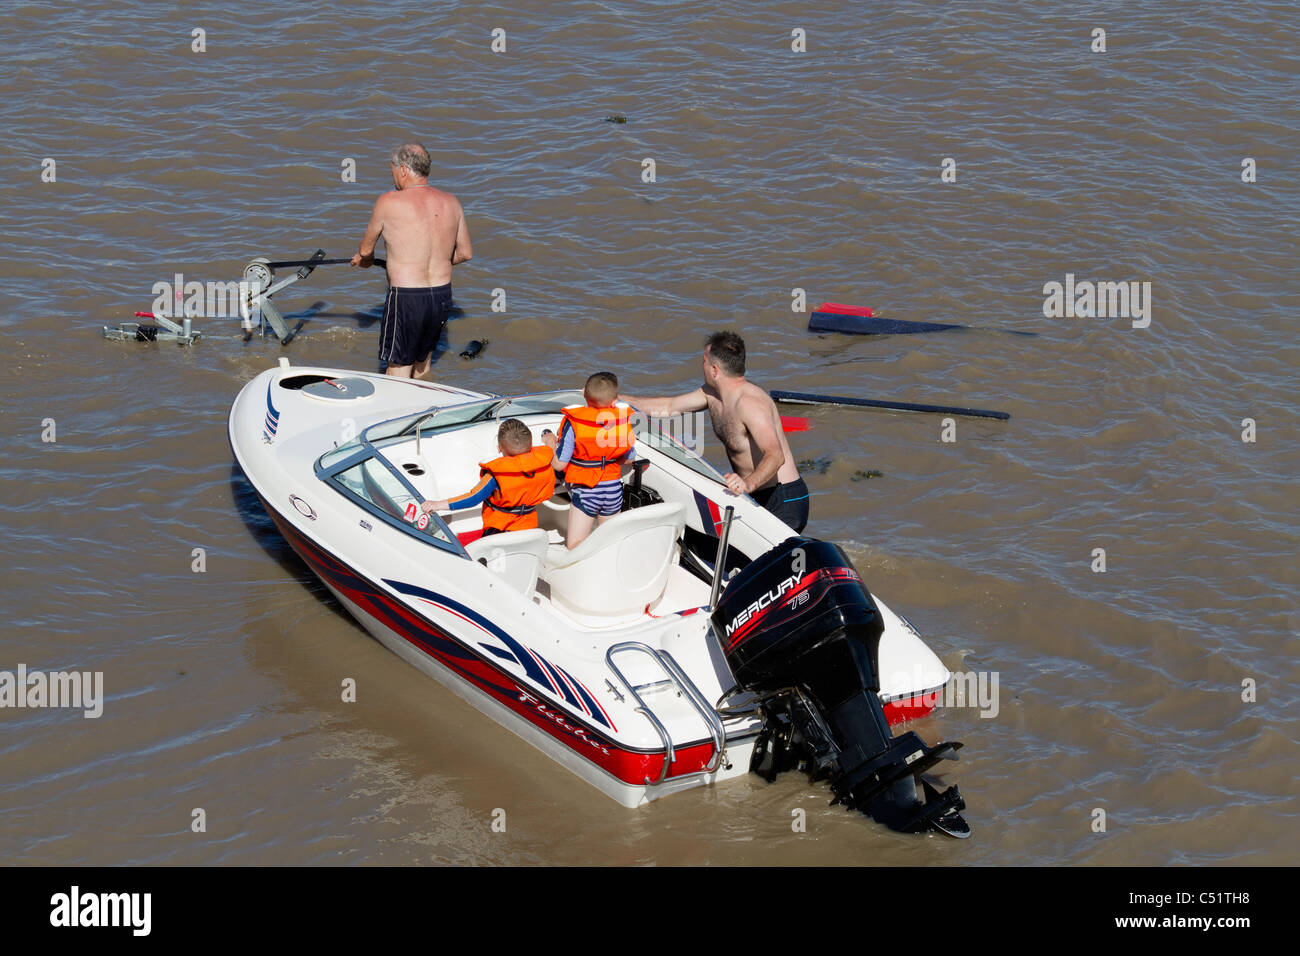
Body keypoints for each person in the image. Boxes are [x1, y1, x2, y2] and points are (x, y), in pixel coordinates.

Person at [621, 331, 809, 533]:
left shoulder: (750, 403)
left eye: (703, 361)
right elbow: (668, 406)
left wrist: (747, 484)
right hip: (752, 494)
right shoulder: (711, 394)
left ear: (714, 370)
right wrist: (616, 401)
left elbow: (775, 454)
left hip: (785, 499)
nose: (701, 366)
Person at [351, 142, 472, 379]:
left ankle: (396, 414)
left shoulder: (388, 201)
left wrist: (362, 260)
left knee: (398, 367)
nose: (393, 176)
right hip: (441, 295)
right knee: (422, 364)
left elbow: (366, 252)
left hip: (406, 297)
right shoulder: (451, 202)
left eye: (393, 170)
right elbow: (465, 253)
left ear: (403, 170)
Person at [541, 372, 636, 549]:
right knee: (610, 542)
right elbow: (630, 458)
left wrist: (549, 443)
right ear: (615, 401)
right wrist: (607, 459)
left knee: (575, 545)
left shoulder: (574, 422)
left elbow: (559, 464)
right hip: (613, 490)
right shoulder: (621, 421)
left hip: (586, 491)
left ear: (584, 393)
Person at [421, 419, 554, 536]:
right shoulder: (544, 464)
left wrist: (436, 505)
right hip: (529, 528)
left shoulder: (496, 475)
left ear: (499, 448)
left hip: (500, 530)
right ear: (530, 446)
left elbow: (473, 498)